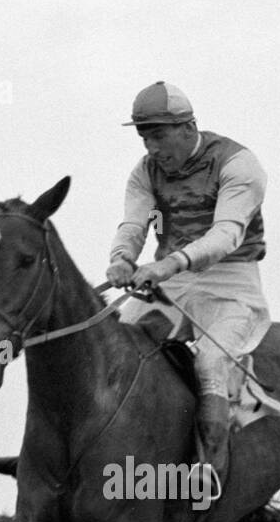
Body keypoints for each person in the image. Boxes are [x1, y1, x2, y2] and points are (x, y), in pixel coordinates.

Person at [105, 81, 270, 500]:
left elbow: (227, 236)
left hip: (232, 280)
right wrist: (123, 258)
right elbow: (134, 224)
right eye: (144, 136)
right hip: (171, 279)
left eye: (158, 135)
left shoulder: (238, 163)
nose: (151, 147)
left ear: (188, 127)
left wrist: (167, 264)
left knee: (211, 362)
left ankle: (208, 471)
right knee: (115, 348)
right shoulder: (145, 171)